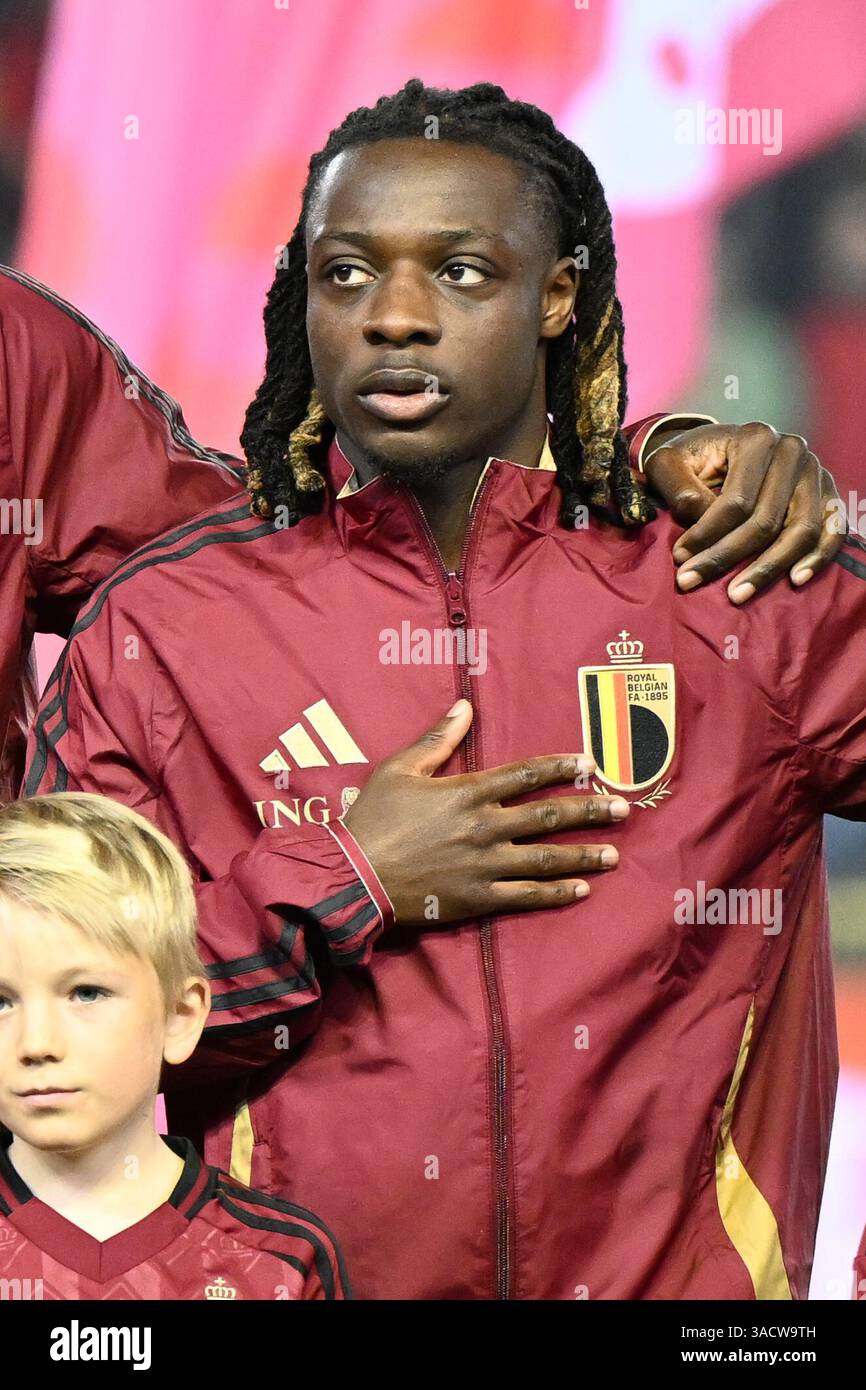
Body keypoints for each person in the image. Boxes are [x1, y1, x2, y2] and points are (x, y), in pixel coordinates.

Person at [23, 80, 866, 1300]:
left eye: (461, 273)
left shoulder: (732, 579)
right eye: (347, 274)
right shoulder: (164, 631)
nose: (395, 318)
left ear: (557, 296)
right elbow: (48, 1021)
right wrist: (343, 886)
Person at [0, 243, 848, 803]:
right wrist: (348, 883)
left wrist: (622, 472)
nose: (397, 318)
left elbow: (258, 560)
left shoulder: (12, 352)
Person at [0, 791, 350, 1299]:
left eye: (87, 993)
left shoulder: (282, 1262)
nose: (37, 1043)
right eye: (0, 1002)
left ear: (180, 1016)